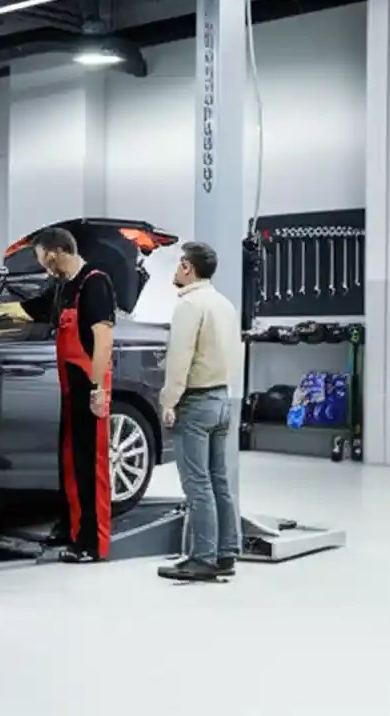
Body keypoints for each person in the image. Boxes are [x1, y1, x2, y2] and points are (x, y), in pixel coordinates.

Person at [0, 227, 117, 563]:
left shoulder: (95, 282)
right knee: (69, 463)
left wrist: (98, 391)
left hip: (89, 387)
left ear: (54, 252)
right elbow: (33, 309)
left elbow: (103, 340)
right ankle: (72, 530)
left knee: (90, 469)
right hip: (70, 390)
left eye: (42, 259)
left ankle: (93, 545)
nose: (43, 267)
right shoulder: (64, 286)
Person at [155, 241, 243, 582]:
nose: (177, 270)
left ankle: (202, 558)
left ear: (188, 267)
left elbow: (180, 359)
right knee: (219, 481)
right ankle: (225, 553)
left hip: (195, 401)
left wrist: (169, 401)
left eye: (179, 264)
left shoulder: (189, 305)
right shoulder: (224, 305)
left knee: (197, 484)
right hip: (223, 399)